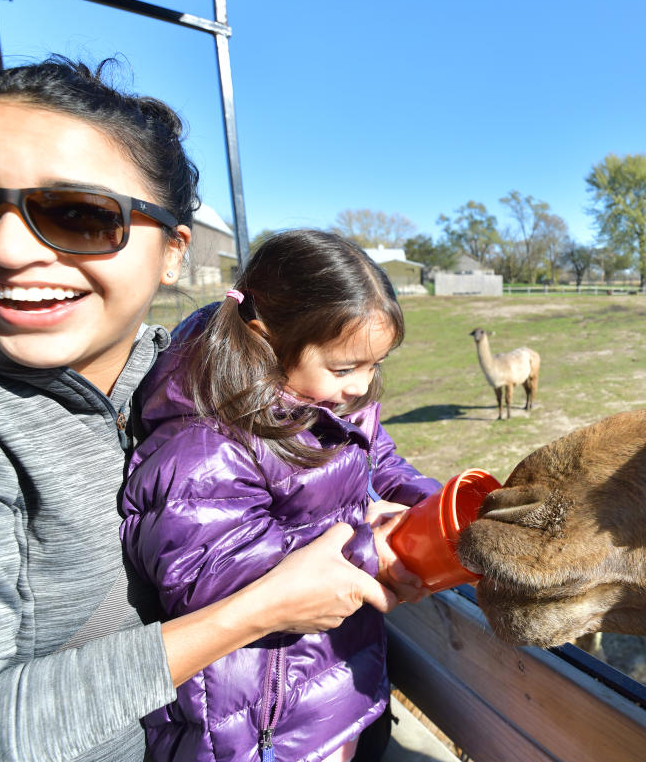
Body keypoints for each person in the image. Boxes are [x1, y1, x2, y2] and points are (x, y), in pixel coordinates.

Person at [0, 57, 411, 762]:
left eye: (78, 216)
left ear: (174, 251)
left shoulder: (205, 375)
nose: (2, 247)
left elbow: (356, 450)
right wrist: (263, 607)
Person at [121, 229, 441, 762]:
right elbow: (215, 577)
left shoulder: (333, 402)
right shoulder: (206, 443)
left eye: (374, 366)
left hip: (333, 675)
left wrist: (432, 505)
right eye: (345, 368)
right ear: (266, 337)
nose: (362, 385)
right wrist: (368, 551)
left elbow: (378, 462)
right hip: (258, 715)